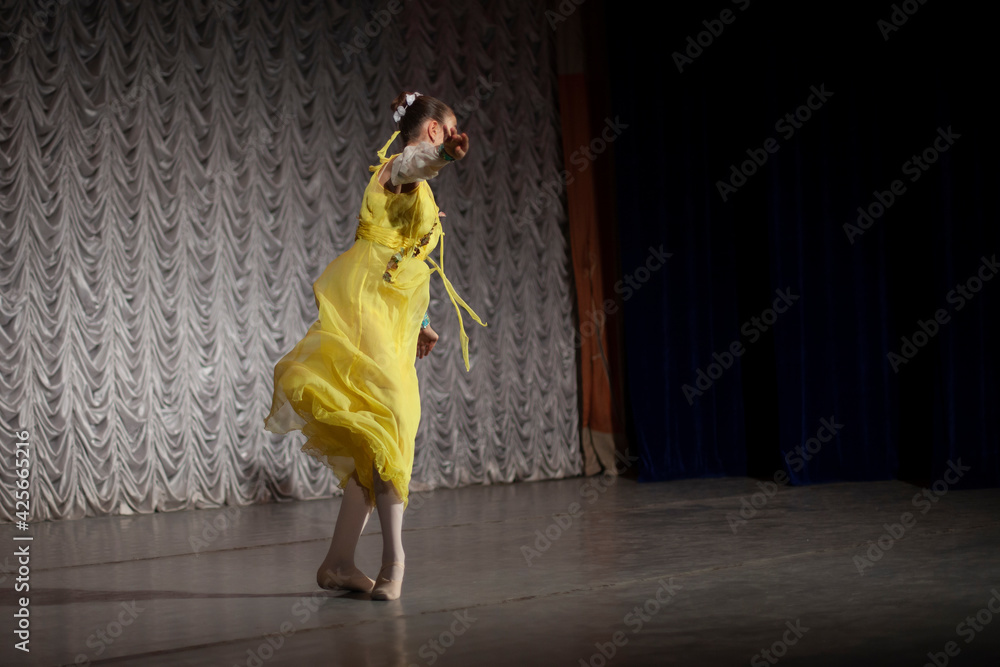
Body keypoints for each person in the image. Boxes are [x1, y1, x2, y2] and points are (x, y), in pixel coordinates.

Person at [263, 91, 487, 601]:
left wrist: (425, 321)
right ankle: (394, 561)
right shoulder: (400, 167)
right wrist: (444, 156)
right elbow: (413, 163)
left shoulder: (411, 189)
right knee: (396, 421)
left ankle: (339, 562)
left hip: (389, 312)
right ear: (435, 131)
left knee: (376, 434)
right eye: (447, 132)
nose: (449, 138)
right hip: (369, 307)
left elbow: (401, 259)